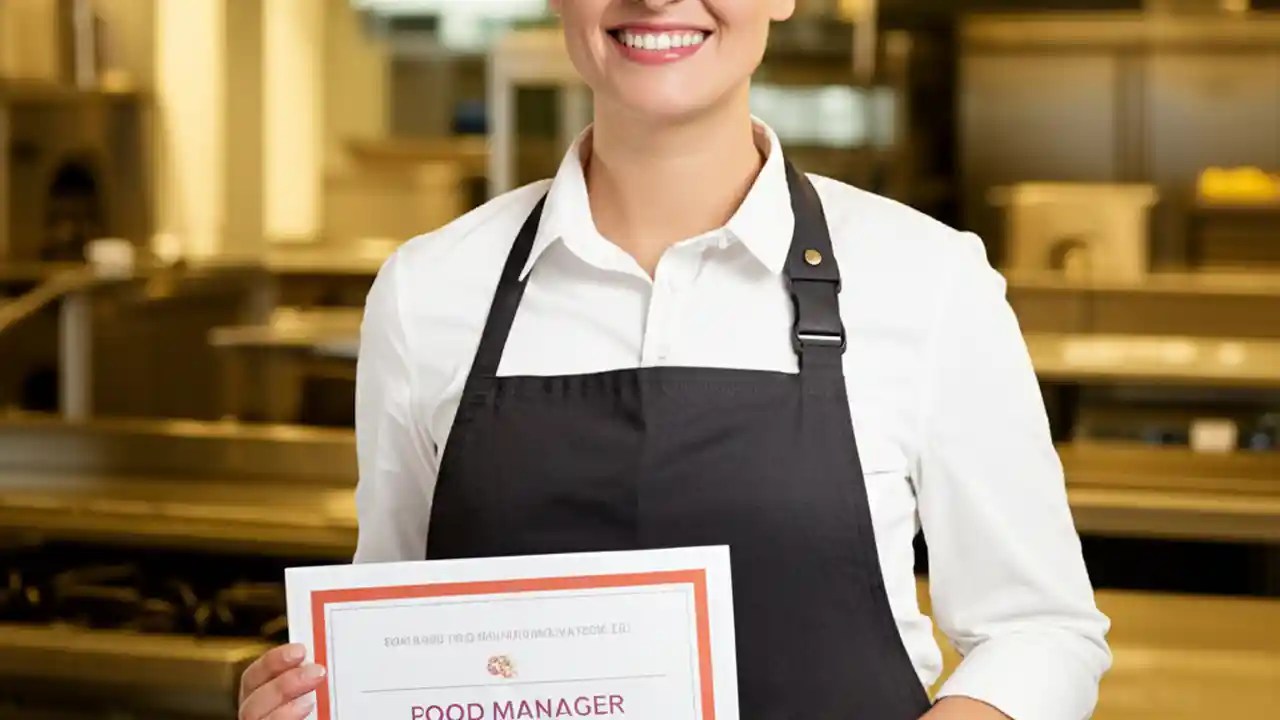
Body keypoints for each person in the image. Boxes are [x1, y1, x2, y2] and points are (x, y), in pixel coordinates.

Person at [238, 1, 1111, 718]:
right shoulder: (428, 291)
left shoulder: (925, 277)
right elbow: (389, 633)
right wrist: (314, 698)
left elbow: (1040, 631)